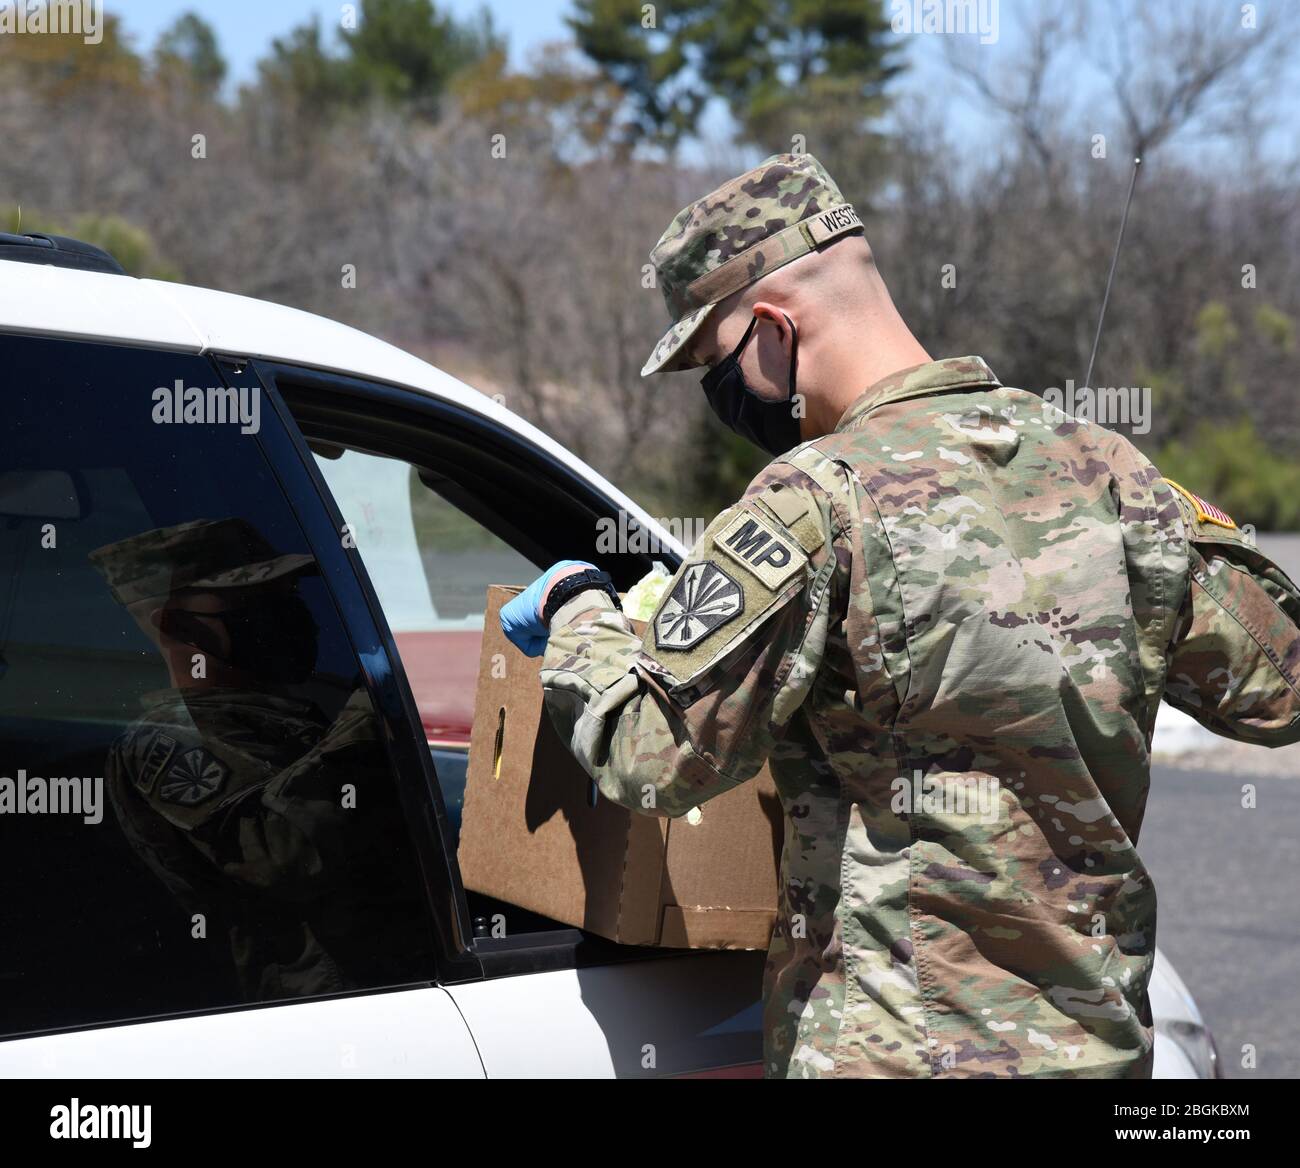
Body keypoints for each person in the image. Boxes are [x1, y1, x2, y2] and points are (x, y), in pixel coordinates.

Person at [500, 153, 1300, 1078]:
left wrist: (578, 611)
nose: (717, 398)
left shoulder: (812, 500)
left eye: (713, 365)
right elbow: (1281, 693)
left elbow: (650, 753)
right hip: (1099, 1051)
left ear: (769, 331)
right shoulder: (1117, 476)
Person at [91, 517, 428, 1001]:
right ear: (181, 626)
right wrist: (370, 714)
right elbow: (285, 851)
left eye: (290, 597)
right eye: (259, 604)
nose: (292, 616)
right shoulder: (167, 741)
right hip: (316, 1007)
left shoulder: (290, 711)